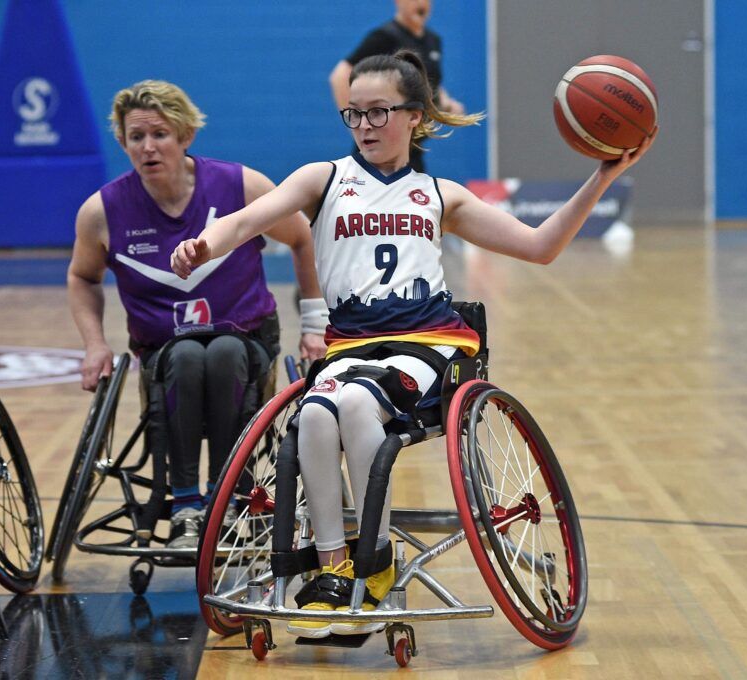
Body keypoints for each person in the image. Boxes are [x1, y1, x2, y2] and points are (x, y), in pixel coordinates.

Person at [173, 50, 656, 638]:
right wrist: (205, 240)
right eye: (354, 115)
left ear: (417, 117)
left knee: (349, 404)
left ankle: (374, 567)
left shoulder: (439, 194)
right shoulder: (321, 179)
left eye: (379, 112)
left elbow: (539, 246)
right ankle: (333, 568)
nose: (366, 126)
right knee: (317, 414)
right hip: (350, 347)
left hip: (428, 343)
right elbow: (246, 221)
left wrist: (602, 176)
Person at [68, 80, 327, 551]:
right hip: (163, 350)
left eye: (160, 134)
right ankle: (187, 504)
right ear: (123, 143)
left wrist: (313, 324)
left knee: (224, 352)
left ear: (186, 135)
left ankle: (225, 496)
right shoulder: (101, 211)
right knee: (187, 357)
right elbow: (83, 277)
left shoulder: (241, 185)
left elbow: (302, 237)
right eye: (135, 137)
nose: (147, 147)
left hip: (244, 338)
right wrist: (94, 343)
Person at [329, 0, 465, 173]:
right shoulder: (384, 37)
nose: (420, 3)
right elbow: (340, 75)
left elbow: (430, 83)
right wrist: (356, 123)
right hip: (381, 153)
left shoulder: (433, 40)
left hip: (412, 148)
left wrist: (446, 103)